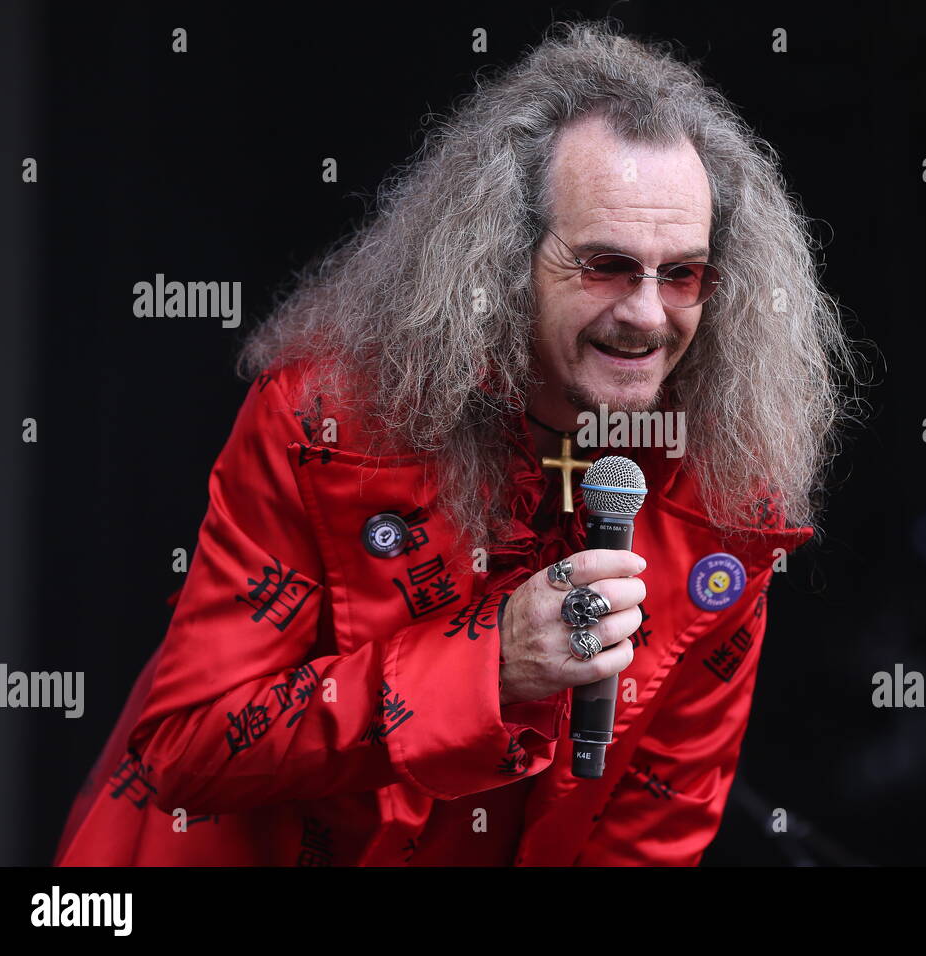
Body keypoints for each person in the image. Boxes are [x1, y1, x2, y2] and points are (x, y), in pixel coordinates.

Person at [53, 19, 858, 866]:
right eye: (605, 265)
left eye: (682, 273)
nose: (648, 315)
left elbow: (649, 840)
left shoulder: (729, 498)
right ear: (507, 260)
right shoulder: (325, 421)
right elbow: (188, 746)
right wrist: (489, 666)